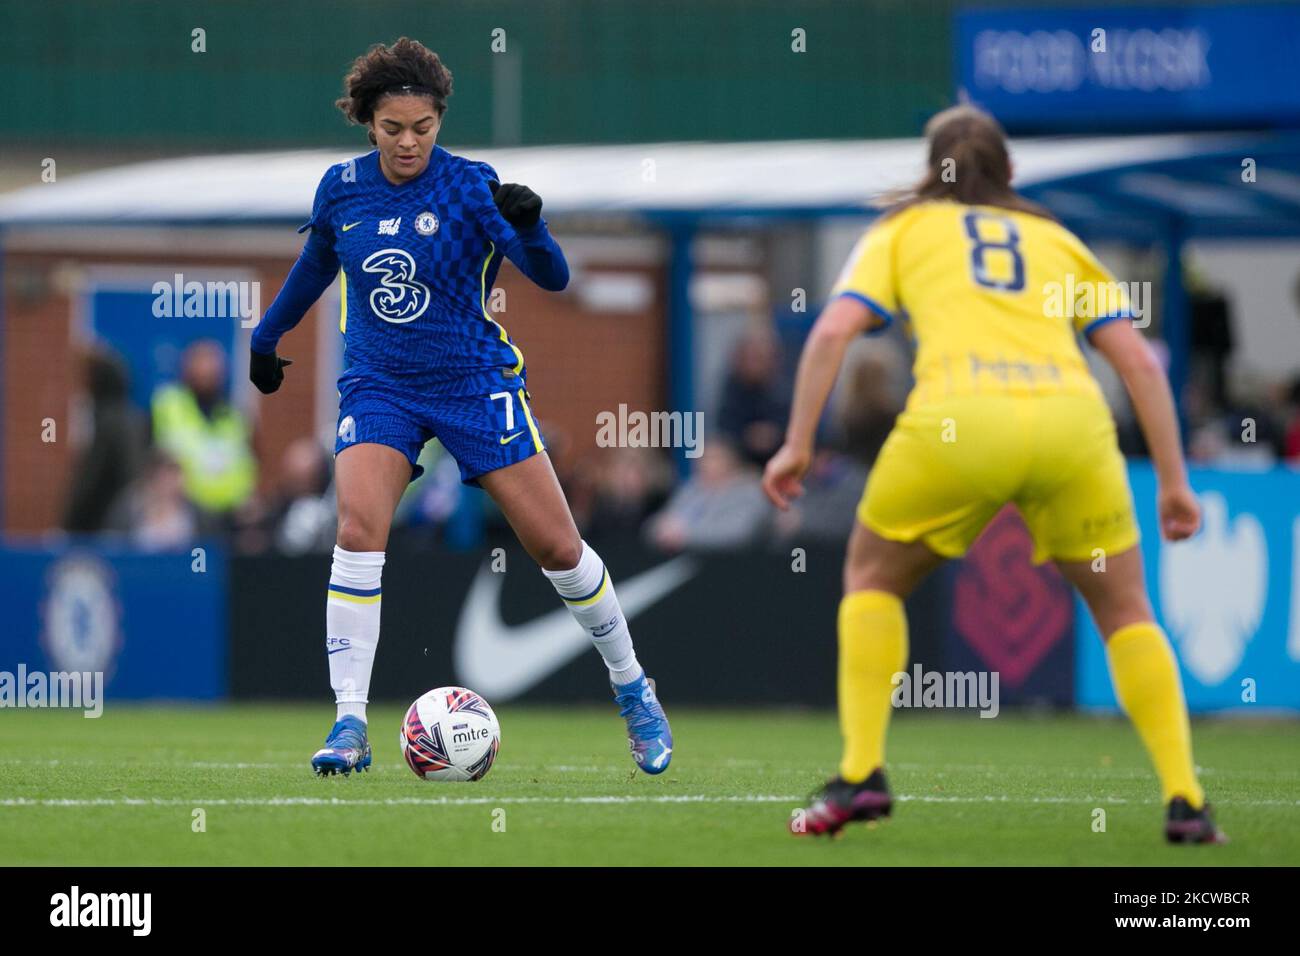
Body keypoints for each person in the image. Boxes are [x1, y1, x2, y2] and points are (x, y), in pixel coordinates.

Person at [762, 105, 1224, 843]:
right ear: (1010, 172)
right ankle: (1186, 800)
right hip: (1072, 427)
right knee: (1128, 611)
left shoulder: (903, 231)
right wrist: (1174, 482)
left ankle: (862, 774)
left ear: (930, 171)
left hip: (959, 423)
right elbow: (1137, 359)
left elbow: (831, 331)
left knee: (873, 579)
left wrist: (795, 445)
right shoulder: (1056, 239)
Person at [249, 38, 671, 777]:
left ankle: (634, 689)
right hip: (379, 383)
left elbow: (554, 275)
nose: (408, 142)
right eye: (392, 129)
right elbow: (321, 258)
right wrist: (268, 330)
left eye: (422, 127)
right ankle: (349, 724)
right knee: (356, 529)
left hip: (474, 384)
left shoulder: (473, 187)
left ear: (440, 119)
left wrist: (532, 226)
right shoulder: (341, 189)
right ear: (367, 123)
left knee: (558, 550)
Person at [152, 339, 257, 520]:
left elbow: (247, 464)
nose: (206, 371)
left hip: (231, 515)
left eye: (212, 366)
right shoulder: (168, 405)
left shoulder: (234, 415)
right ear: (187, 368)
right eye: (200, 363)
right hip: (183, 513)